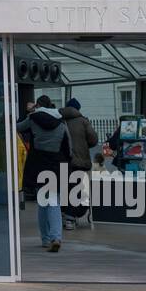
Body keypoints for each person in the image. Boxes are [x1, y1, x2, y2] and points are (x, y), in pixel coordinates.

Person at [16, 95, 70, 252]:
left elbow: (17, 127)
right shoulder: (61, 121)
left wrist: (29, 113)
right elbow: (68, 148)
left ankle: (46, 239)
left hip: (38, 164)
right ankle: (56, 237)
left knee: (43, 203)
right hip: (56, 164)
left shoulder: (33, 118)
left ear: (38, 106)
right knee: (54, 201)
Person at [61, 97, 99, 229]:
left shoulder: (60, 119)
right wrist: (84, 144)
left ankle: (63, 214)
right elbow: (94, 139)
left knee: (64, 188)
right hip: (79, 161)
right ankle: (70, 219)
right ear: (77, 109)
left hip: (63, 160)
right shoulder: (83, 121)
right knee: (76, 189)